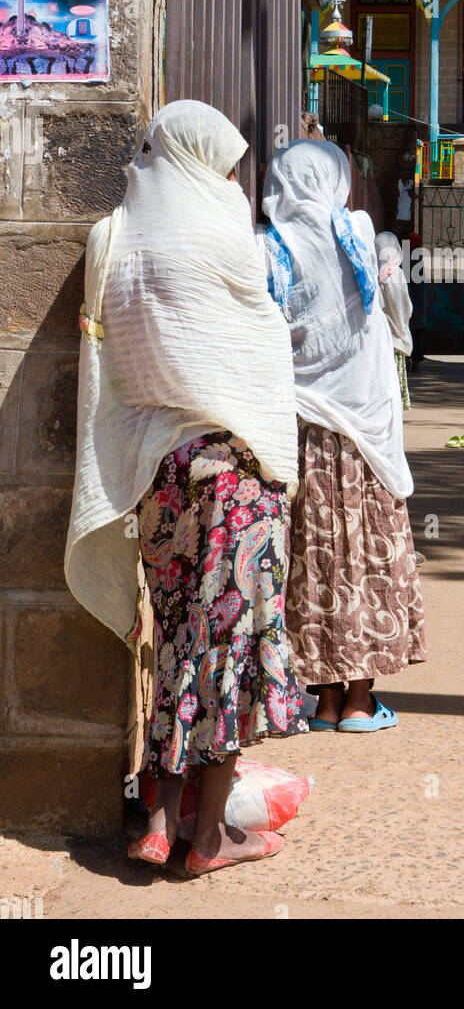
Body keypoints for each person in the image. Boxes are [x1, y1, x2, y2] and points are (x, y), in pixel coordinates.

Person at [65, 101, 307, 876]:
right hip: (234, 472)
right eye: (229, 163)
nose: (235, 178)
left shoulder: (111, 237)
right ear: (203, 158)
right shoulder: (224, 232)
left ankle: (161, 823)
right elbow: (258, 346)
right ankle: (210, 841)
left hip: (157, 475)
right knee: (230, 648)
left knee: (175, 638)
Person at [259, 140, 426, 733]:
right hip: (365, 433)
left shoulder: (268, 245)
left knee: (315, 557)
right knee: (364, 554)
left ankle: (323, 702)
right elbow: (391, 310)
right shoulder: (353, 230)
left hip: (302, 428)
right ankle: (359, 702)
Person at [376, 231, 413, 410]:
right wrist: (402, 327)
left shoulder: (373, 272)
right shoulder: (395, 273)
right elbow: (403, 307)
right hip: (395, 338)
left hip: (378, 338)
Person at [407, 230, 427, 372]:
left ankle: (407, 358)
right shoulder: (418, 260)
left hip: (407, 302)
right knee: (418, 332)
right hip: (418, 303)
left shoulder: (403, 260)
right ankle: (416, 362)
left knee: (407, 331)